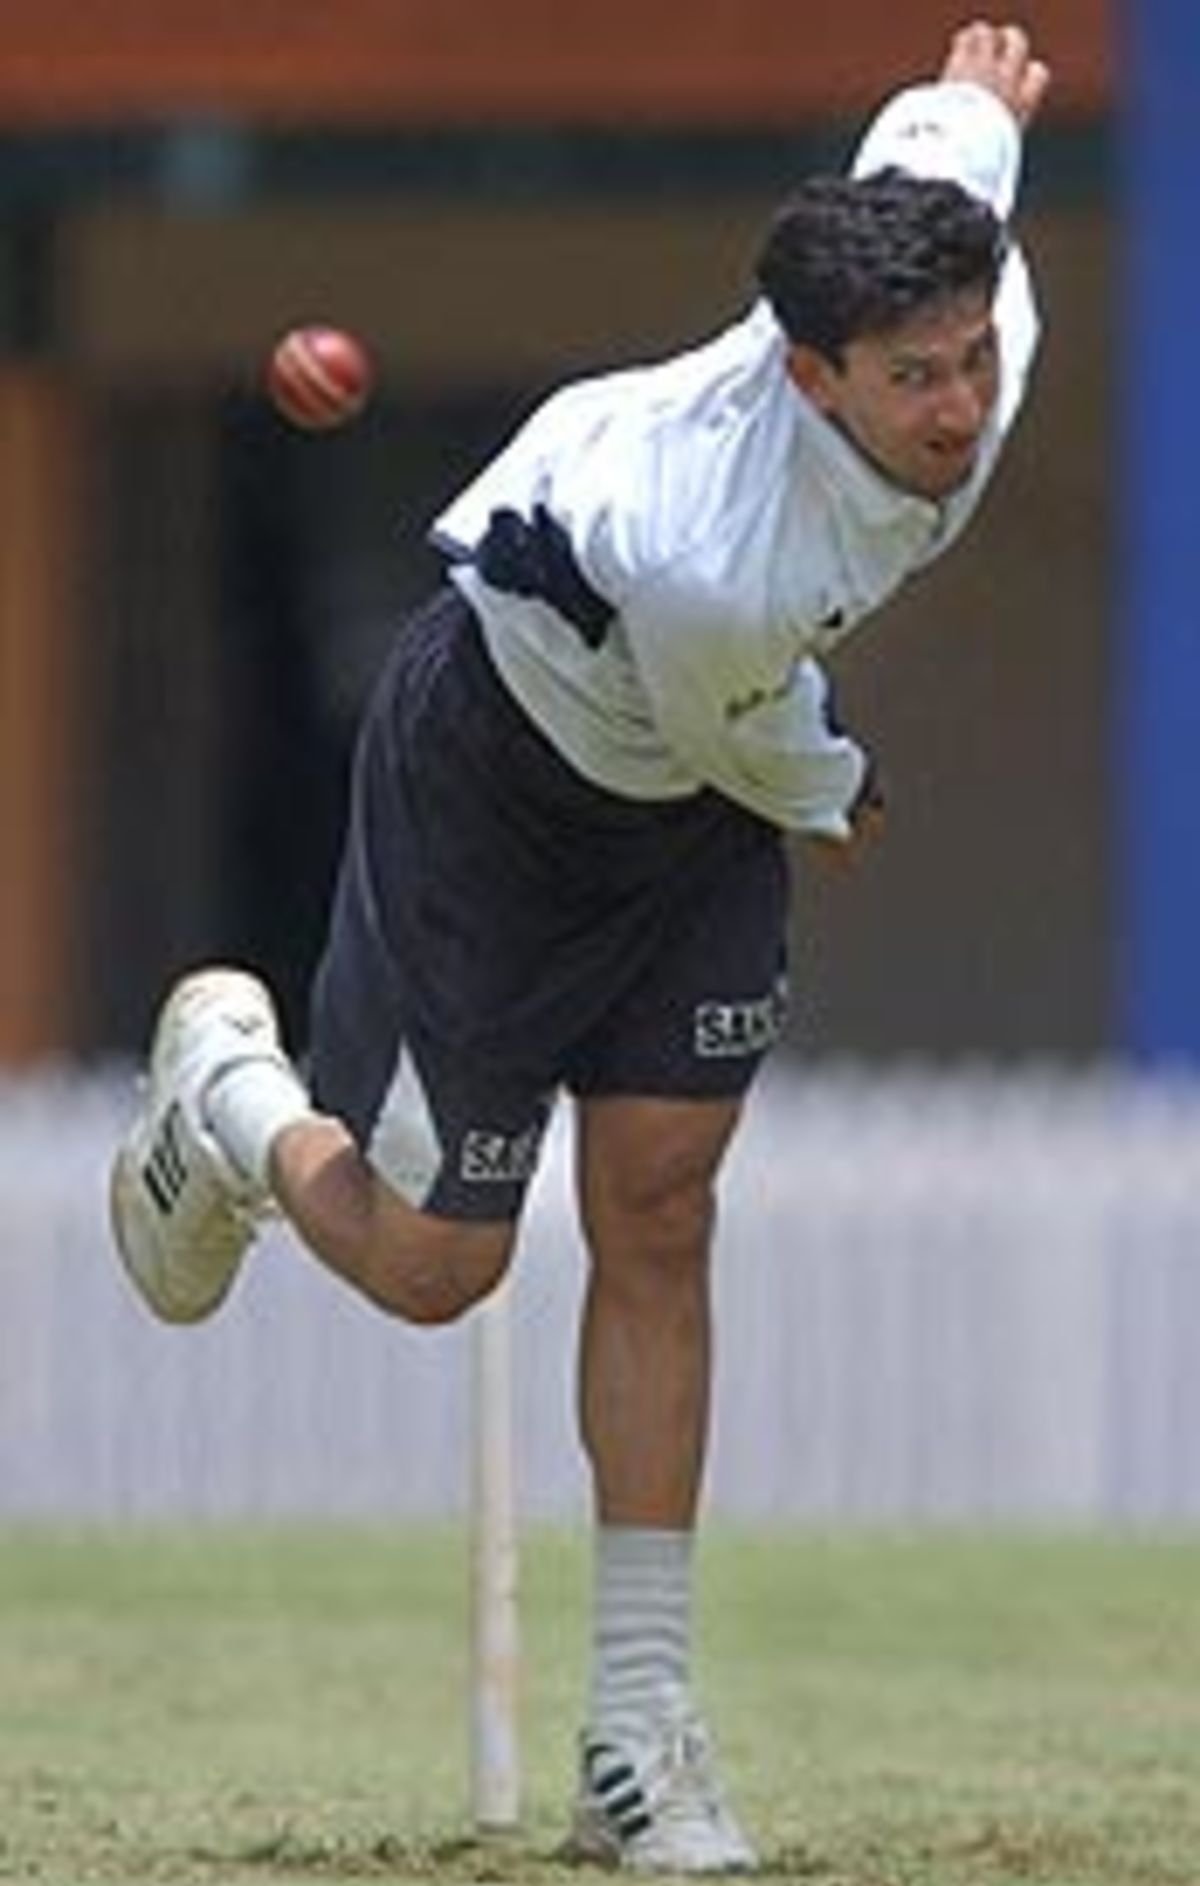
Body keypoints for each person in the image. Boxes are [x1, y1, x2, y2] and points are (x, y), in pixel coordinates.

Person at [110, 20, 1050, 1875]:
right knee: (437, 1265)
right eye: (913, 379)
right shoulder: (715, 561)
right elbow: (759, 744)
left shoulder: (968, 288)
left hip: (687, 789)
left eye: (971, 359)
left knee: (664, 1207)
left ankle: (637, 1736)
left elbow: (941, 148)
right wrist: (845, 796)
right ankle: (229, 1099)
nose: (959, 407)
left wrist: (978, 105)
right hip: (507, 766)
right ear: (811, 376)